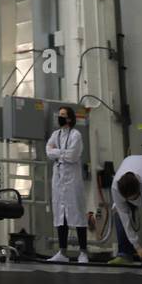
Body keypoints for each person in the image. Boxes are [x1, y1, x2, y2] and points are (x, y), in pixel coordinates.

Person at [45, 105, 88, 264]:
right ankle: (62, 252)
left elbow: (73, 155)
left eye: (63, 115)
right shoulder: (55, 135)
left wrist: (58, 154)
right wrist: (61, 153)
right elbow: (48, 151)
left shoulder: (76, 135)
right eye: (59, 114)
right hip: (58, 180)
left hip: (72, 180)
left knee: (77, 213)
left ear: (69, 118)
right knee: (60, 215)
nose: (60, 117)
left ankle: (83, 252)